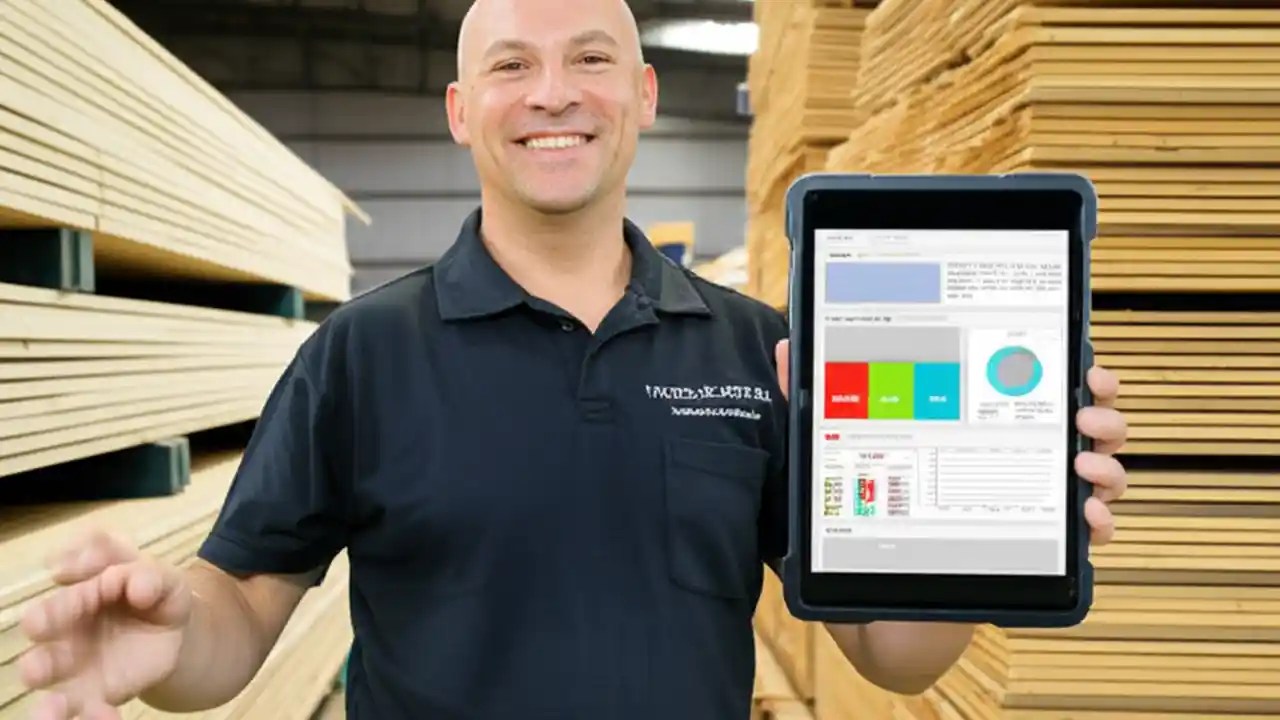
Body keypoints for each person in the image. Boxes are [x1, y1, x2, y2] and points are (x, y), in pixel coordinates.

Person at [15, 0, 1130, 717]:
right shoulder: (360, 354)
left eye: (590, 58)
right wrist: (172, 642)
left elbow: (888, 655)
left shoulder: (765, 351)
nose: (552, 93)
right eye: (512, 66)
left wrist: (987, 528)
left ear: (641, 95)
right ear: (462, 111)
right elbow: (241, 611)